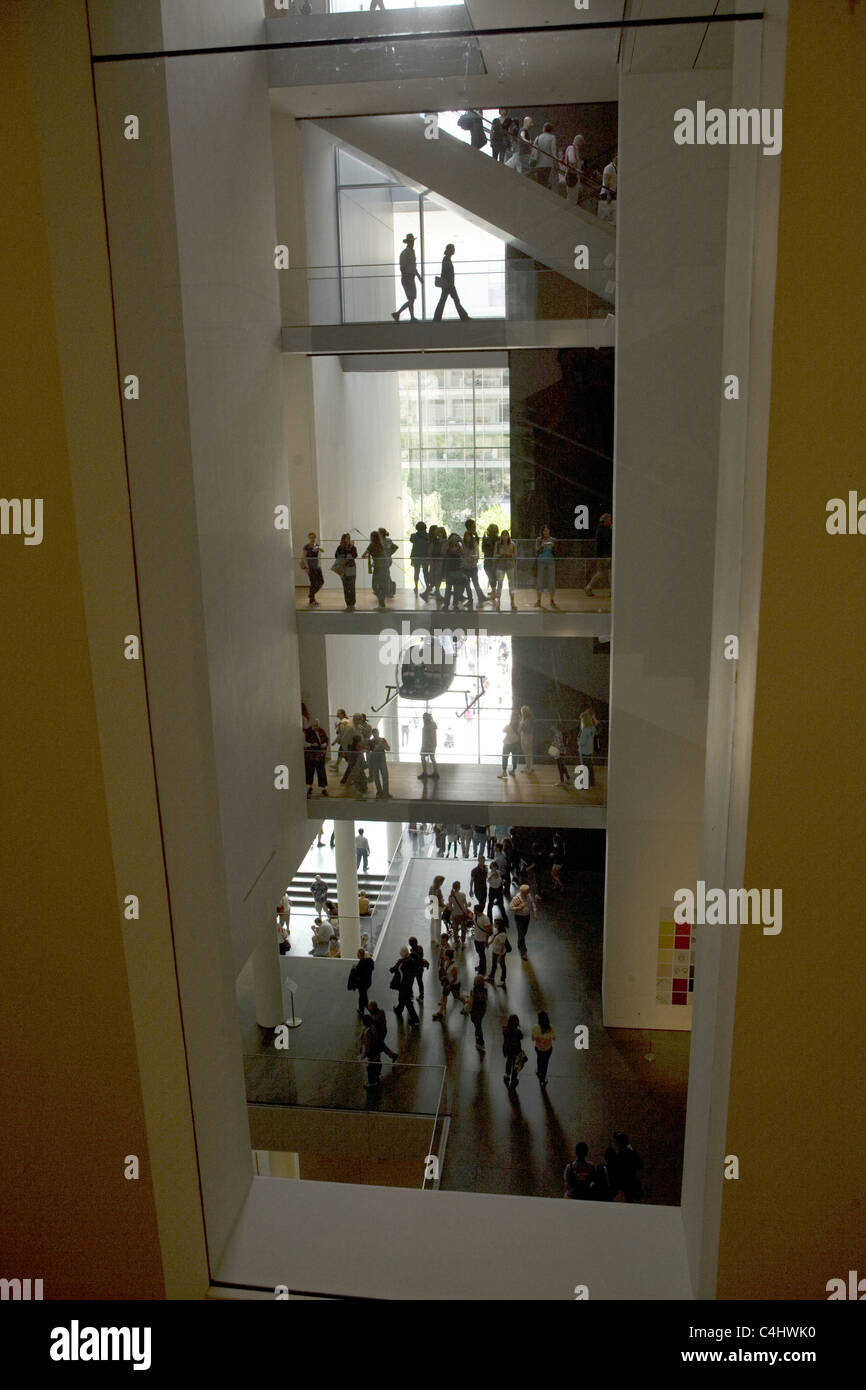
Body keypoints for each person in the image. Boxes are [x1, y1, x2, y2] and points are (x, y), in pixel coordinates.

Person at [432, 243, 470, 322]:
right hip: (449, 284)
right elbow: (446, 273)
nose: (454, 251)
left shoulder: (446, 259)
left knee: (444, 301)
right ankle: (464, 317)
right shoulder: (446, 260)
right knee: (455, 300)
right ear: (449, 250)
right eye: (452, 249)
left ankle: (437, 318)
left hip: (447, 284)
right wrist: (449, 283)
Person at [392, 232, 423, 321]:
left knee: (411, 299)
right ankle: (398, 313)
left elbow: (412, 267)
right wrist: (411, 278)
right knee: (411, 299)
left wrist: (418, 277)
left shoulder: (408, 252)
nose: (412, 243)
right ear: (408, 242)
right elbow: (404, 268)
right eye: (411, 241)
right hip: (408, 278)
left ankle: (410, 316)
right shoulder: (406, 253)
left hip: (409, 277)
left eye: (412, 241)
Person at [362, 530, 396, 609]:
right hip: (383, 567)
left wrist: (370, 556)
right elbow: (394, 548)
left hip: (380, 567)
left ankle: (381, 603)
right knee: (381, 585)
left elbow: (363, 555)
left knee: (376, 586)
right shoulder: (382, 543)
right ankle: (382, 603)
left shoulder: (373, 545)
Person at [390, 947, 420, 1027]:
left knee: (408, 1003)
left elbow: (395, 969)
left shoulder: (403, 962)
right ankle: (399, 1009)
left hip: (404, 985)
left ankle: (416, 1020)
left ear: (402, 953)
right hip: (408, 984)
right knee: (401, 997)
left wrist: (393, 968)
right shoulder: (410, 960)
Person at [611, 1132, 644, 1202]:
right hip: (633, 1183)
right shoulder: (632, 1153)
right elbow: (640, 1165)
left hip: (625, 1185)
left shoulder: (620, 1155)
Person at [432, 946, 463, 1020]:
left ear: (448, 956)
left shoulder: (454, 967)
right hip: (448, 983)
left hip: (454, 984)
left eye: (445, 955)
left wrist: (449, 985)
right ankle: (440, 1013)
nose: (444, 956)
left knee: (457, 997)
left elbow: (455, 978)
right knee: (444, 997)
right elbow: (445, 971)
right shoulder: (446, 962)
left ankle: (466, 1003)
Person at [585, 512, 612, 595]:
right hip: (604, 555)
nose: (610, 521)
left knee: (607, 573)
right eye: (609, 519)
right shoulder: (603, 530)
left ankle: (589, 587)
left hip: (605, 555)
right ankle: (588, 587)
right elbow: (608, 540)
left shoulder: (601, 529)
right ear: (605, 521)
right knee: (602, 573)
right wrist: (612, 530)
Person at [461, 519, 487, 604]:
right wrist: (471, 557)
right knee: (468, 584)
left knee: (474, 583)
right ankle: (471, 599)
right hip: (468, 565)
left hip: (472, 565)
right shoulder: (468, 537)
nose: (475, 527)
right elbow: (467, 551)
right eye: (474, 526)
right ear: (469, 527)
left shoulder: (472, 537)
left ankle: (479, 597)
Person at [304, 717, 329, 797]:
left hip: (320, 755)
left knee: (321, 771)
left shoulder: (321, 731)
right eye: (314, 725)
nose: (316, 727)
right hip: (311, 755)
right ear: (312, 725)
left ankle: (323, 788)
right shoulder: (308, 731)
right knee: (310, 771)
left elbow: (326, 739)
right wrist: (311, 744)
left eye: (317, 725)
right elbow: (304, 742)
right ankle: (309, 787)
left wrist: (325, 744)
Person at [442, 532, 469, 609]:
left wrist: (461, 541)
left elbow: (464, 553)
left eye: (455, 538)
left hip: (458, 570)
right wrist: (449, 541)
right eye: (452, 538)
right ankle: (446, 604)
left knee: (456, 588)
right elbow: (443, 551)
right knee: (448, 588)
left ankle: (455, 604)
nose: (454, 539)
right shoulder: (448, 546)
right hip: (449, 570)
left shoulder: (459, 546)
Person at [535, 526, 558, 608]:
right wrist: (542, 545)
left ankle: (552, 600)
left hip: (551, 561)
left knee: (551, 580)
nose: (546, 532)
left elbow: (556, 551)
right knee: (540, 580)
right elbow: (536, 550)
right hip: (541, 561)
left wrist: (553, 545)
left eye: (547, 531)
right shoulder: (539, 539)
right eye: (544, 531)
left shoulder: (553, 540)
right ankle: (539, 600)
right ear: (542, 532)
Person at [510, 882, 535, 959]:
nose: (529, 892)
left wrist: (535, 912)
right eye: (527, 891)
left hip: (527, 917)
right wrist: (519, 908)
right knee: (521, 934)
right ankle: (523, 952)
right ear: (523, 892)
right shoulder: (517, 898)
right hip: (519, 918)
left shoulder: (528, 896)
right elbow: (511, 907)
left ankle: (519, 943)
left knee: (524, 933)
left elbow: (532, 903)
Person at [493, 529, 517, 610]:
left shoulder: (512, 544)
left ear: (508, 536)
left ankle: (512, 602)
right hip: (500, 566)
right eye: (503, 535)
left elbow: (515, 555)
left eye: (506, 535)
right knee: (499, 584)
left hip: (510, 566)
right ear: (501, 536)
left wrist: (509, 554)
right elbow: (495, 555)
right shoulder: (498, 544)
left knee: (511, 584)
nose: (505, 537)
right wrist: (500, 555)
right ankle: (498, 602)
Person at [334, 534, 358, 610]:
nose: (347, 540)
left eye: (348, 538)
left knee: (351, 586)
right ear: (343, 539)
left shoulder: (352, 547)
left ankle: (352, 604)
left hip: (351, 568)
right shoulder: (340, 547)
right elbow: (336, 556)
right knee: (346, 586)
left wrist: (350, 550)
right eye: (345, 539)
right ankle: (348, 604)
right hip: (343, 568)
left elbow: (355, 555)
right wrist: (346, 555)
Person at [531, 1010, 556, 1086]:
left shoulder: (535, 1028)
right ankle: (543, 1079)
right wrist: (546, 1039)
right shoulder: (551, 1028)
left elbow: (533, 1038)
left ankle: (539, 1071)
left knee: (539, 1059)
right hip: (547, 1049)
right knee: (545, 1063)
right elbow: (554, 1038)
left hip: (538, 1048)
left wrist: (540, 1039)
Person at [348, 947, 374, 1016]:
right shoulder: (370, 961)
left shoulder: (362, 963)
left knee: (363, 996)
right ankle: (362, 1008)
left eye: (358, 954)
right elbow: (370, 969)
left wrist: (354, 968)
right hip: (368, 982)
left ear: (360, 955)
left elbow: (358, 973)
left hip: (362, 983)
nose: (357, 955)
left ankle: (366, 1009)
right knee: (362, 995)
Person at [578, 705, 599, 788]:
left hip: (583, 751)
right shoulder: (592, 728)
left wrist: (578, 742)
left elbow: (582, 743)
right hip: (590, 750)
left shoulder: (585, 730)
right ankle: (592, 782)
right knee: (590, 767)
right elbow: (597, 726)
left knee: (584, 768)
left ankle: (584, 784)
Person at [359, 1012, 383, 1088]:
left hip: (372, 1053)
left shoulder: (367, 1032)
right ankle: (377, 1077)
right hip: (376, 1050)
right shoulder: (373, 1027)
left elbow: (367, 1045)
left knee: (370, 1068)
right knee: (376, 1064)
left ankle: (372, 1082)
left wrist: (364, 1055)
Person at [532, 121, 558, 188]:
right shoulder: (552, 138)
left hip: (538, 163)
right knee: (546, 182)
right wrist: (556, 162)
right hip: (548, 163)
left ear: (544, 128)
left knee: (540, 182)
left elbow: (534, 150)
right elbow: (553, 151)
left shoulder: (537, 138)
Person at [502, 1014, 524, 1091]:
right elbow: (522, 1037)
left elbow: (505, 1039)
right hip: (517, 1050)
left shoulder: (505, 1030)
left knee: (509, 1062)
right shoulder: (518, 1032)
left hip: (508, 1050)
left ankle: (507, 1075)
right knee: (516, 1065)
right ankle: (514, 1080)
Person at [301, 532, 324, 605]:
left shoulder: (316, 545)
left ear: (315, 538)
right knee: (313, 583)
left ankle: (311, 595)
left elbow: (323, 550)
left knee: (321, 581)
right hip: (310, 567)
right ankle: (312, 599)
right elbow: (303, 557)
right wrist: (306, 568)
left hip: (316, 566)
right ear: (308, 538)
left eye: (313, 537)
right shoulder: (306, 547)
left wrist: (319, 548)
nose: (312, 539)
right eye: (310, 537)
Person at [467, 974, 489, 1051]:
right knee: (478, 1025)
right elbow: (485, 1001)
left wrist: (467, 1009)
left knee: (478, 1027)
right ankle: (479, 1041)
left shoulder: (473, 991)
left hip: (475, 1012)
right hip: (481, 1011)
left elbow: (471, 1003)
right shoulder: (485, 990)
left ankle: (480, 1042)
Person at [368, 727, 391, 799]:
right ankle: (380, 792)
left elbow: (388, 748)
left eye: (376, 733)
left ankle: (385, 792)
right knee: (376, 776)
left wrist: (382, 745)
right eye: (374, 733)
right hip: (375, 760)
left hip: (381, 759)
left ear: (378, 733)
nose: (375, 735)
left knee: (385, 775)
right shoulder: (371, 741)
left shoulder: (382, 740)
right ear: (372, 734)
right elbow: (370, 751)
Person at [447, 880, 471, 947]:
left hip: (455, 915)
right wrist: (469, 904)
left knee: (455, 929)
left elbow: (450, 908)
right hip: (463, 915)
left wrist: (454, 908)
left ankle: (456, 942)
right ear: (458, 887)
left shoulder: (451, 896)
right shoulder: (462, 894)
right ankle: (463, 942)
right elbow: (466, 905)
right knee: (463, 929)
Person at [487, 919, 510, 985]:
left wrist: (500, 956)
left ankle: (502, 980)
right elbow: (494, 938)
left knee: (502, 966)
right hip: (495, 951)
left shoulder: (502, 934)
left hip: (500, 953)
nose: (493, 924)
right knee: (494, 965)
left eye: (495, 923)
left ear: (499, 925)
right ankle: (491, 977)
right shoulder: (497, 930)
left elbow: (502, 947)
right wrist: (489, 943)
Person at [564, 132, 586, 203]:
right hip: (572, 175)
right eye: (581, 142)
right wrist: (578, 168)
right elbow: (572, 160)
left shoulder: (573, 148)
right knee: (572, 197)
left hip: (572, 174)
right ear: (579, 141)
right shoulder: (572, 148)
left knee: (572, 196)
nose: (582, 145)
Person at [470, 905, 491, 975]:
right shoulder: (475, 916)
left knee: (482, 955)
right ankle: (480, 966)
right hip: (476, 938)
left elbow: (488, 931)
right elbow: (473, 920)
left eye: (474, 909)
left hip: (482, 940)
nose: (473, 910)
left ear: (477, 910)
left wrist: (486, 941)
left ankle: (482, 970)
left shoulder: (485, 919)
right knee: (479, 953)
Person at [409, 521, 429, 592]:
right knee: (425, 572)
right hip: (424, 555)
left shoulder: (413, 536)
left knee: (416, 571)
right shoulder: (427, 536)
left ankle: (416, 586)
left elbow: (411, 540)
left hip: (416, 555)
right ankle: (427, 586)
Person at [408, 937, 429, 1002]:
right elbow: (422, 956)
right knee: (420, 982)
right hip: (420, 969)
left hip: (413, 970)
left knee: (410, 982)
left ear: (410, 944)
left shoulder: (412, 953)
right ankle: (421, 996)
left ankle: (411, 995)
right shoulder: (420, 948)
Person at [481, 523, 499, 597]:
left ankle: (494, 591)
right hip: (488, 559)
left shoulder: (498, 539)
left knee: (493, 576)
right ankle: (494, 590)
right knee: (491, 575)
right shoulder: (486, 539)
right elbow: (483, 549)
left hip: (494, 560)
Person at [419, 712, 439, 779]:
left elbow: (428, 737)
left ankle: (426, 772)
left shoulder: (429, 725)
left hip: (428, 745)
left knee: (424, 757)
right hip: (430, 745)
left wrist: (424, 746)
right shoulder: (432, 724)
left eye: (424, 717)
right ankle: (435, 772)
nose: (423, 719)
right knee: (431, 758)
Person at [518, 705, 535, 772]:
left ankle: (529, 767)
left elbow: (520, 729)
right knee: (528, 751)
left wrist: (520, 727)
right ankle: (529, 766)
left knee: (527, 751)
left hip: (526, 736)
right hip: (527, 736)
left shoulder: (526, 721)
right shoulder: (528, 719)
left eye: (522, 711)